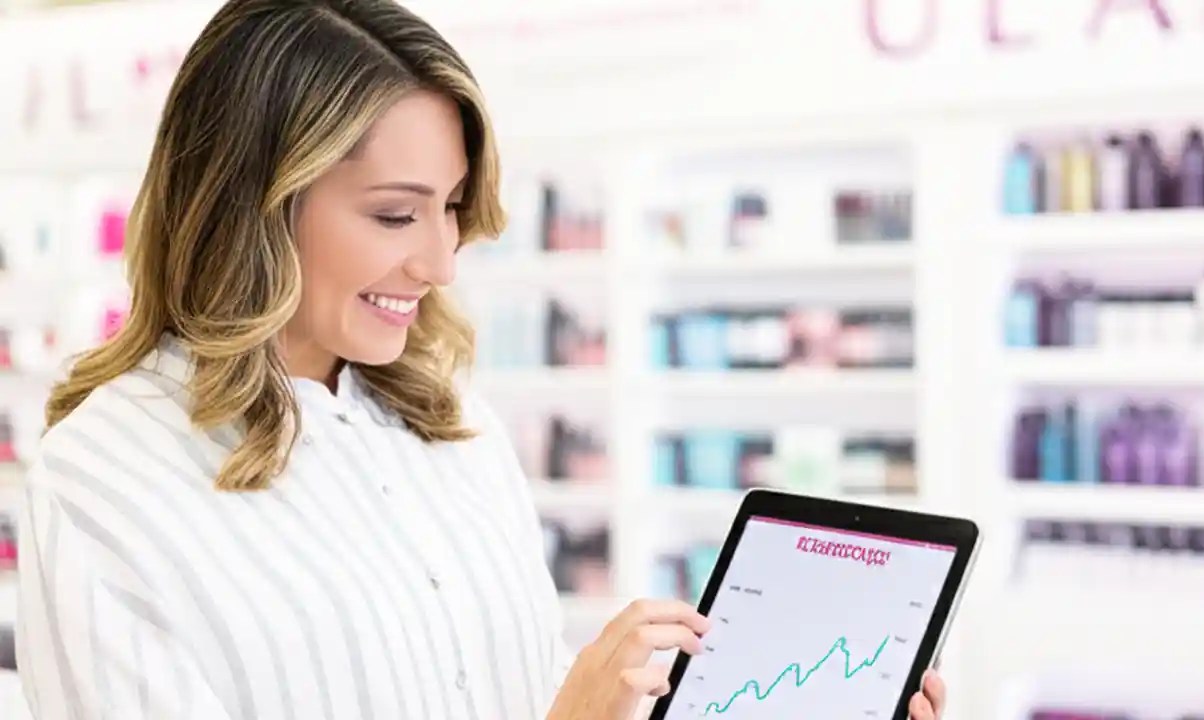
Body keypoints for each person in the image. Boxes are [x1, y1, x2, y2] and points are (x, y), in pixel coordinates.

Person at [16, 1, 949, 718]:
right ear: (250, 203)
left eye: (453, 207)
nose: (440, 262)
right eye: (395, 214)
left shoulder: (452, 423)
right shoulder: (106, 478)